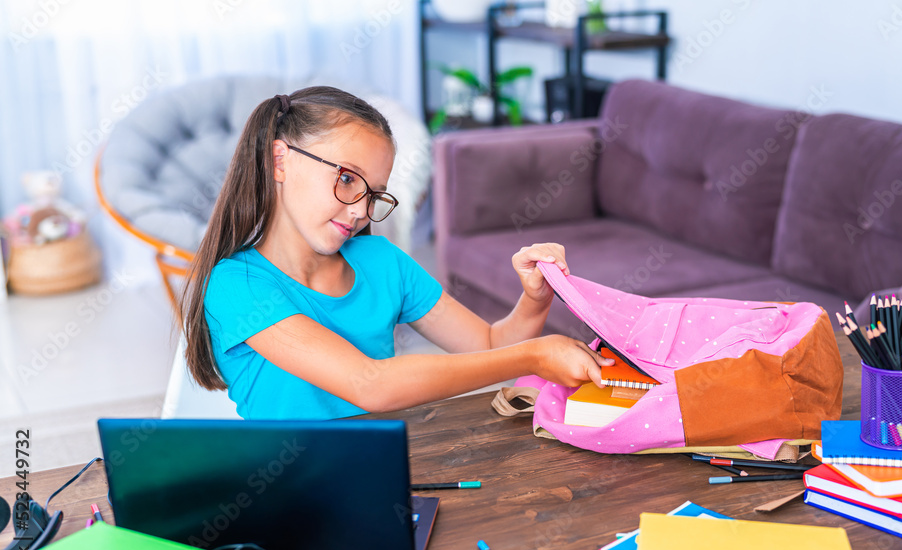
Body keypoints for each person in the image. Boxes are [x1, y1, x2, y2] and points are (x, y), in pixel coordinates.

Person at [182, 86, 611, 420]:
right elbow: (369, 384)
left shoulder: (382, 262)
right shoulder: (237, 284)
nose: (360, 210)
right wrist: (534, 356)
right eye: (347, 178)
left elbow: (488, 344)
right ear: (280, 161)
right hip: (289, 494)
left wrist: (535, 298)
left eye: (373, 194)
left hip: (382, 471)